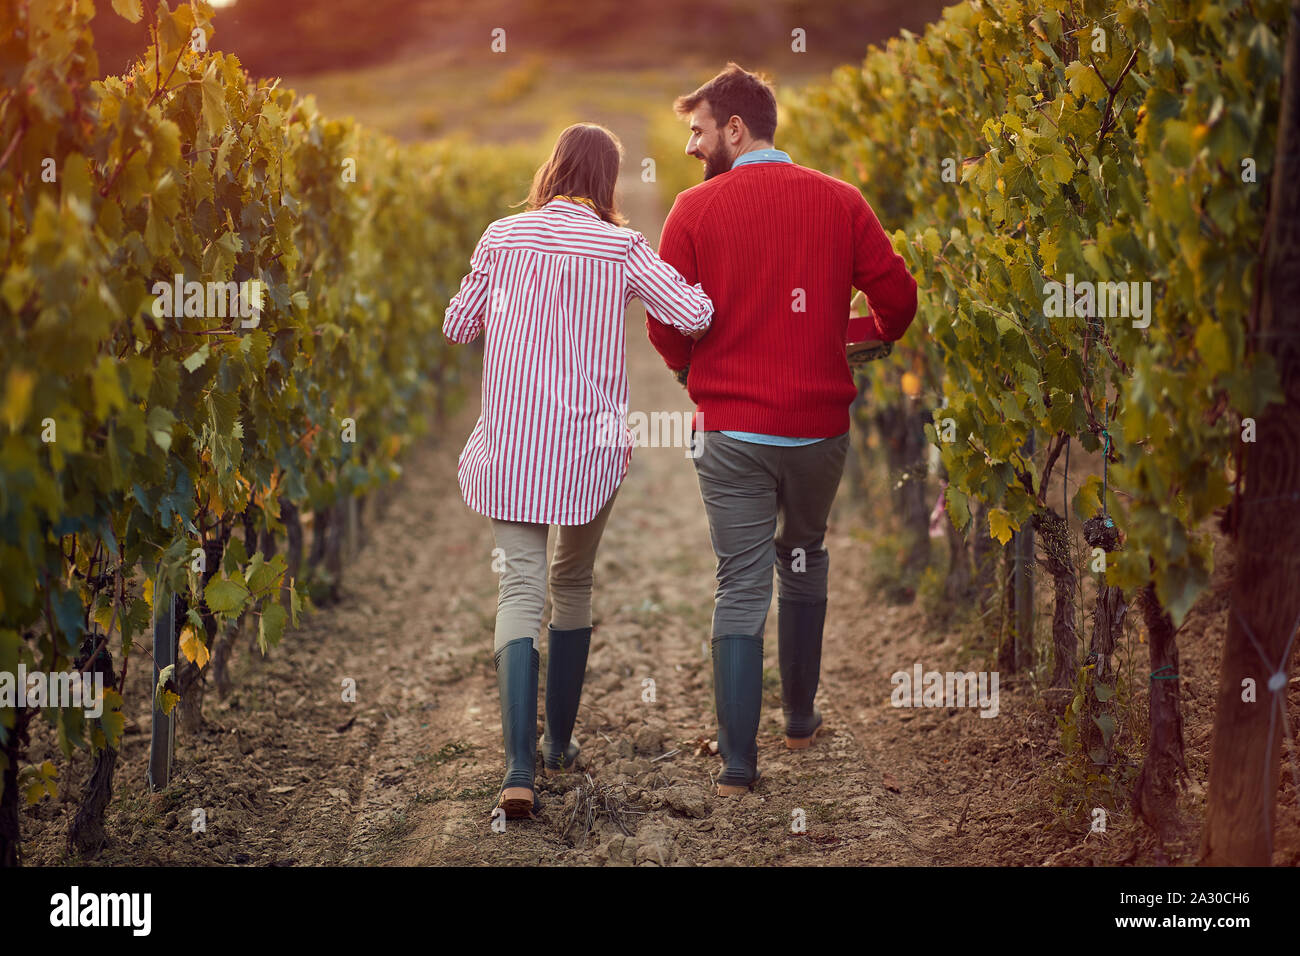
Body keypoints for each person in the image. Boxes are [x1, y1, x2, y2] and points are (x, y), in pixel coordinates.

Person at [646, 64, 918, 796]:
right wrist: (859, 334)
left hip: (730, 432)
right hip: (818, 432)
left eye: (699, 132)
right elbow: (898, 300)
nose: (691, 148)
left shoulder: (691, 212)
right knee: (802, 557)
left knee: (739, 583)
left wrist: (690, 370)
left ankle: (739, 763)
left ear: (737, 129)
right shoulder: (840, 201)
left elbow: (666, 322)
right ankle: (799, 721)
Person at [444, 123, 713, 819]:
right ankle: (559, 746)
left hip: (511, 444)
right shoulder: (620, 246)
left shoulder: (501, 237)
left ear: (552, 169)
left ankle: (516, 767)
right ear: (607, 182)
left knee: (520, 590)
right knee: (572, 583)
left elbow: (456, 326)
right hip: (588, 450)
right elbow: (692, 314)